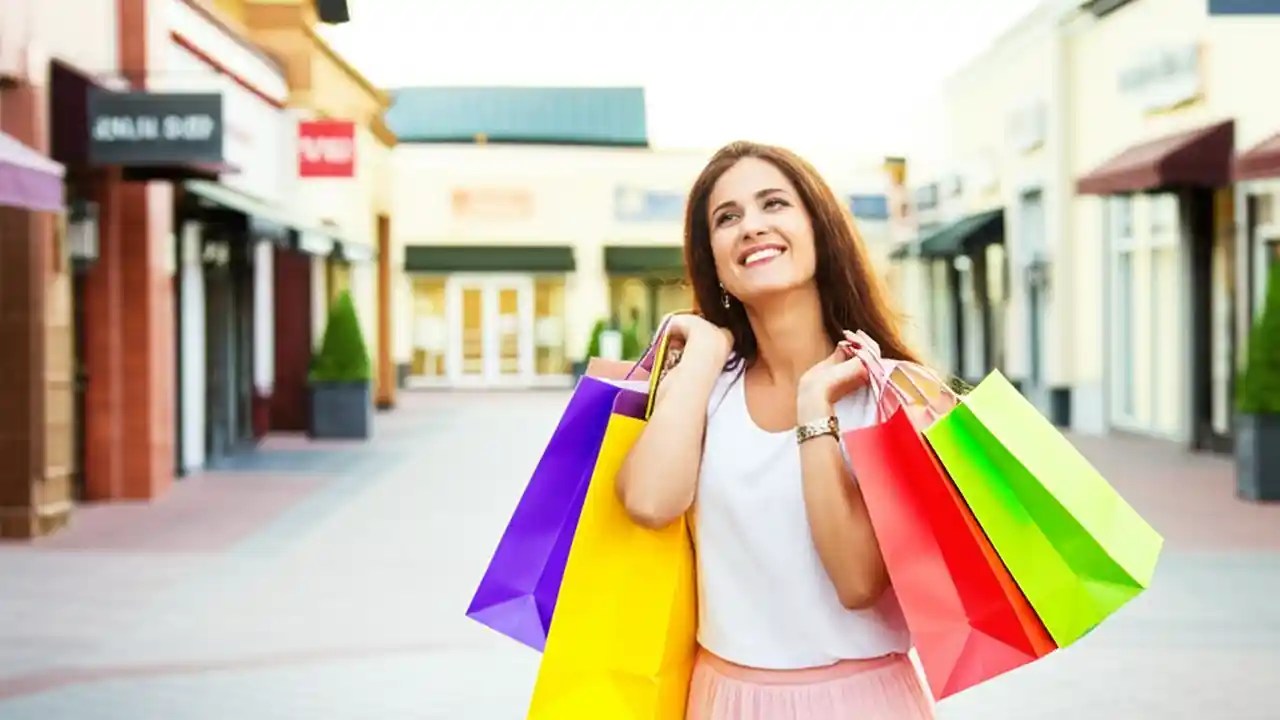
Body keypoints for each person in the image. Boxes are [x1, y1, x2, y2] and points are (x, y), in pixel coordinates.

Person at [616, 141, 936, 719]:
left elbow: (858, 583)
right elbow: (648, 501)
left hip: (858, 701)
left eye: (774, 204)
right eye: (727, 217)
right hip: (722, 699)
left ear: (819, 229)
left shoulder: (890, 393)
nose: (752, 227)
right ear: (711, 258)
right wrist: (705, 353)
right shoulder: (707, 386)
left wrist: (815, 405)